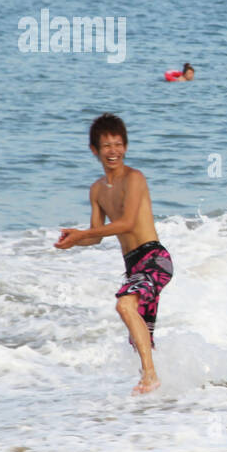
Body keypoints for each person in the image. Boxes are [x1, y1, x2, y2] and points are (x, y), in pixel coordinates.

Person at [55, 114, 173, 395]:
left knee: (124, 305)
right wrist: (76, 241)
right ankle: (164, 396)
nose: (114, 151)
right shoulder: (97, 190)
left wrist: (82, 234)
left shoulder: (135, 178)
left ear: (126, 147)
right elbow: (96, 236)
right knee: (140, 338)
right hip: (134, 267)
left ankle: (150, 377)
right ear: (94, 150)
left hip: (155, 259)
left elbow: (128, 223)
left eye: (119, 144)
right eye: (107, 146)